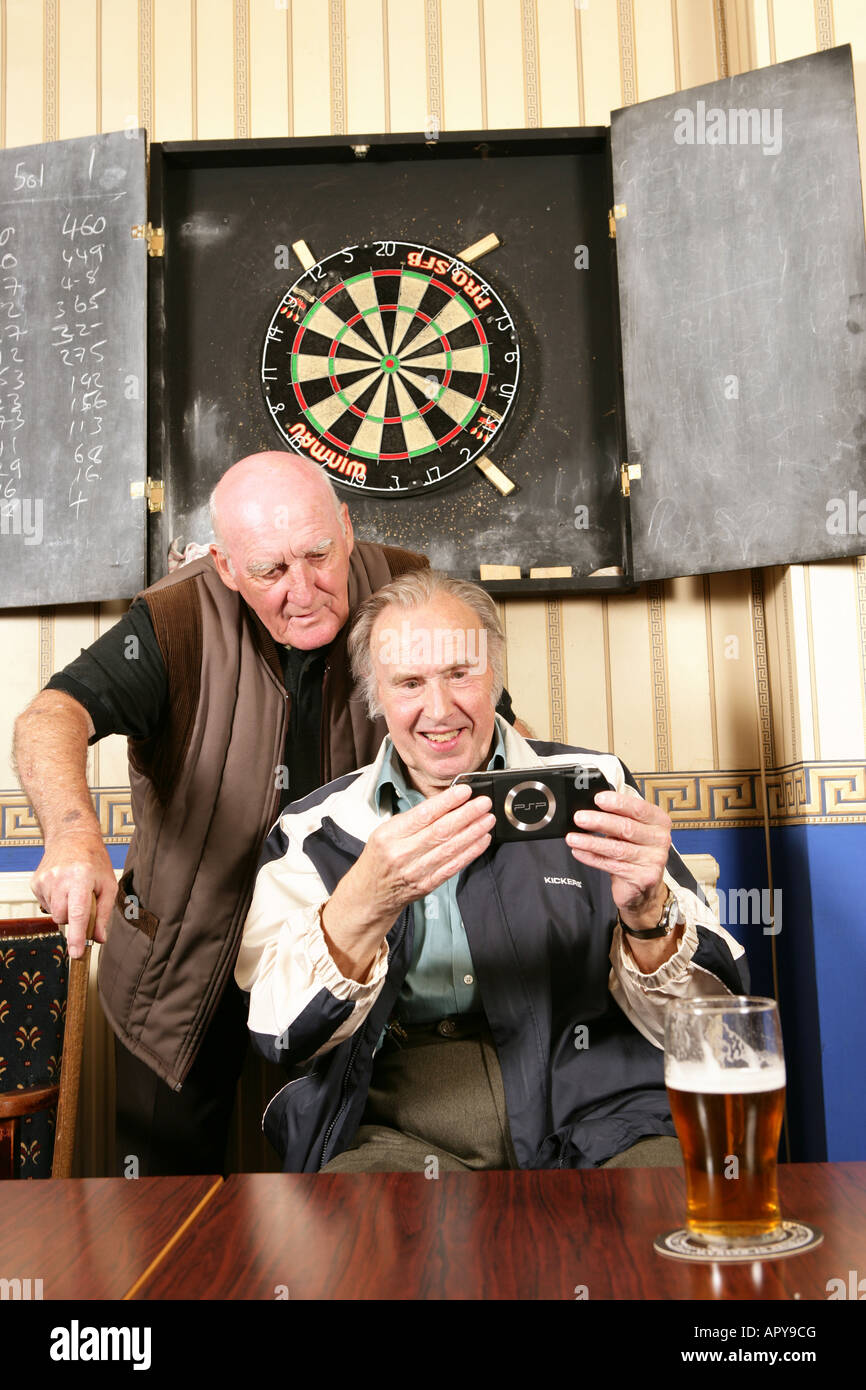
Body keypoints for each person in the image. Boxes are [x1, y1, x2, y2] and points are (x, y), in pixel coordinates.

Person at [12, 452, 520, 1175]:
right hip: (183, 969)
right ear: (225, 566)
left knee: (339, 1210)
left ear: (346, 529)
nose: (305, 591)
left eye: (319, 555)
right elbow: (50, 716)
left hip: (345, 955)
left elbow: (492, 740)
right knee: (162, 1220)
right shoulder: (171, 619)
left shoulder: (409, 592)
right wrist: (70, 833)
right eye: (270, 572)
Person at [236, 569, 748, 1173]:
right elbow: (280, 1034)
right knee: (368, 1245)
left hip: (604, 1106)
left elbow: (715, 1025)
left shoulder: (595, 784)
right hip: (399, 1125)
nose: (439, 708)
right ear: (375, 694)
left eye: (460, 673)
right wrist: (365, 900)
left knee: (659, 1232)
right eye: (409, 682)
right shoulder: (315, 831)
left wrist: (646, 915)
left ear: (495, 675)